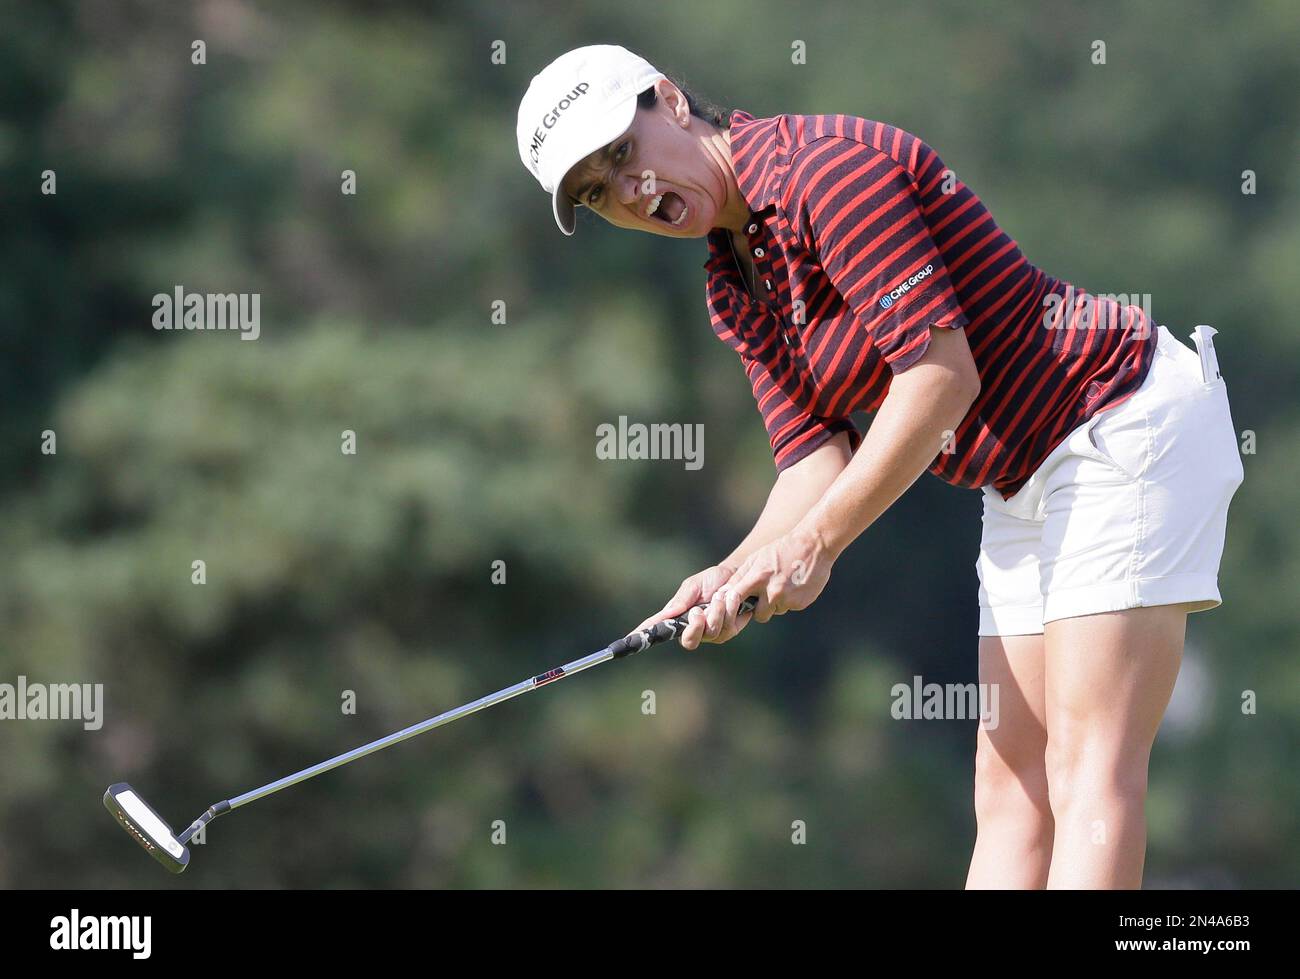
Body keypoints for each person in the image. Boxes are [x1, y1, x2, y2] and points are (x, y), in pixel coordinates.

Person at [516, 44, 1243, 889]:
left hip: (1119, 418)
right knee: (1008, 793)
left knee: (1088, 767)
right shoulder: (733, 279)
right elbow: (812, 456)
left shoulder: (826, 175)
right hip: (1018, 472)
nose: (630, 191)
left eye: (621, 152)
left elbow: (939, 377)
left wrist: (818, 544)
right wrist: (733, 570)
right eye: (600, 193)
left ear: (670, 101)